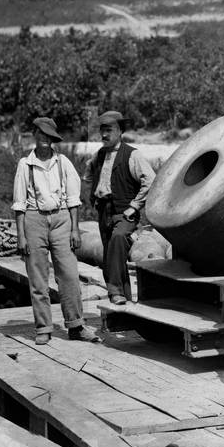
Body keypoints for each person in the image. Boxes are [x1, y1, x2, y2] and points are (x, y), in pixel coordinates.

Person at [12, 117, 100, 344]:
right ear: (34, 135)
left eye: (49, 136)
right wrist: (21, 236)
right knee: (38, 279)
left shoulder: (63, 162)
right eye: (40, 134)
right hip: (34, 220)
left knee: (69, 275)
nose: (44, 140)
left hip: (61, 220)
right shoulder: (25, 165)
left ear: (53, 139)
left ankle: (76, 325)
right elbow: (19, 204)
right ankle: (43, 327)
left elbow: (73, 200)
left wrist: (75, 229)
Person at [82, 110, 156, 306]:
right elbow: (88, 176)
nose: (104, 135)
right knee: (111, 254)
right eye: (102, 130)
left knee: (118, 239)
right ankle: (125, 298)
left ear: (120, 130)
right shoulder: (97, 155)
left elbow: (150, 180)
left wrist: (135, 205)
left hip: (125, 211)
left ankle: (114, 290)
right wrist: (93, 197)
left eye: (109, 130)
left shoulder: (133, 155)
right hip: (103, 210)